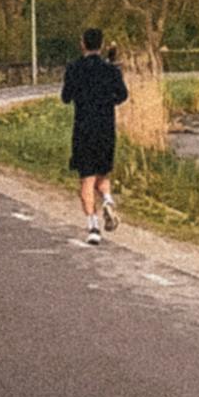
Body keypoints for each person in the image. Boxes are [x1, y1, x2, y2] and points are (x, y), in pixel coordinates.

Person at [59, 26, 127, 242]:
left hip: (83, 128)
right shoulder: (111, 71)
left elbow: (65, 97)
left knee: (87, 180)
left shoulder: (74, 69)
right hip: (105, 128)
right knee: (102, 174)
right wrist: (108, 102)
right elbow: (123, 95)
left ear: (83, 44)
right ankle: (107, 199)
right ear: (102, 44)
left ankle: (93, 227)